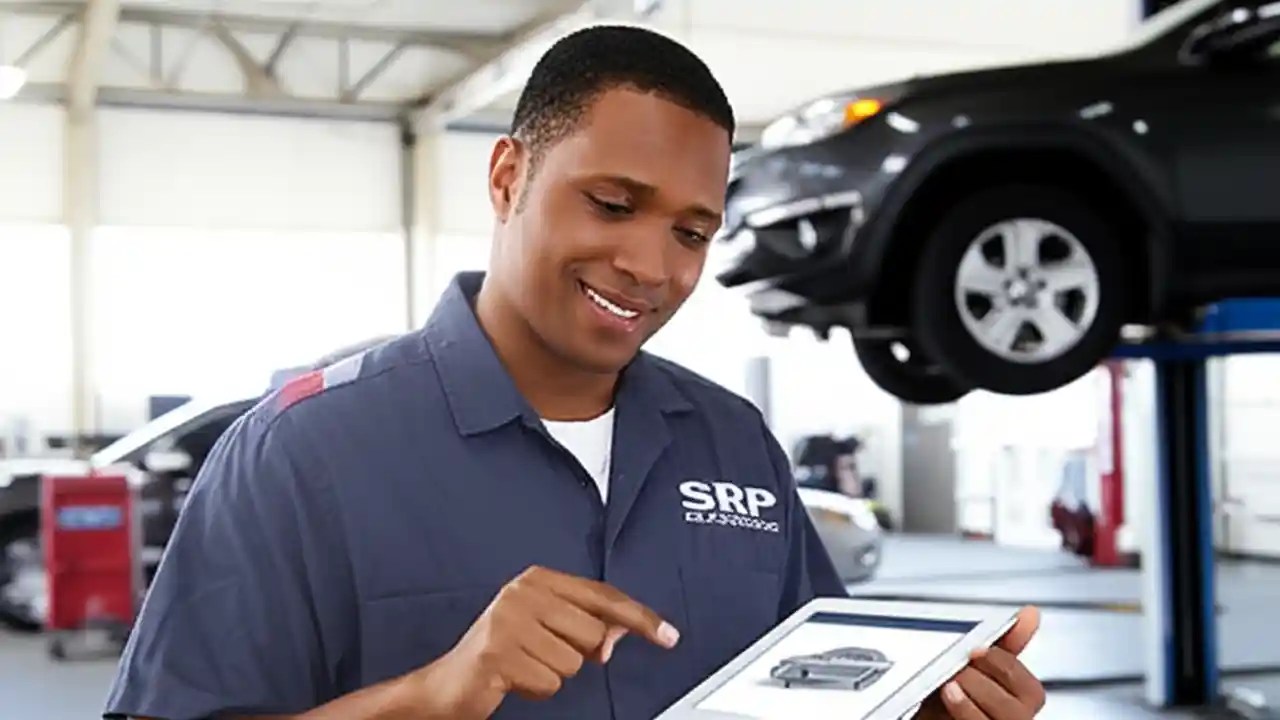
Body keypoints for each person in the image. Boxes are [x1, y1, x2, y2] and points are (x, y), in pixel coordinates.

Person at [104, 24, 1047, 720]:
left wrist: (919, 711)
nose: (650, 265)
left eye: (691, 233)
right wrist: (436, 693)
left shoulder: (733, 444)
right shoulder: (300, 454)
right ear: (507, 178)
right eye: (611, 204)